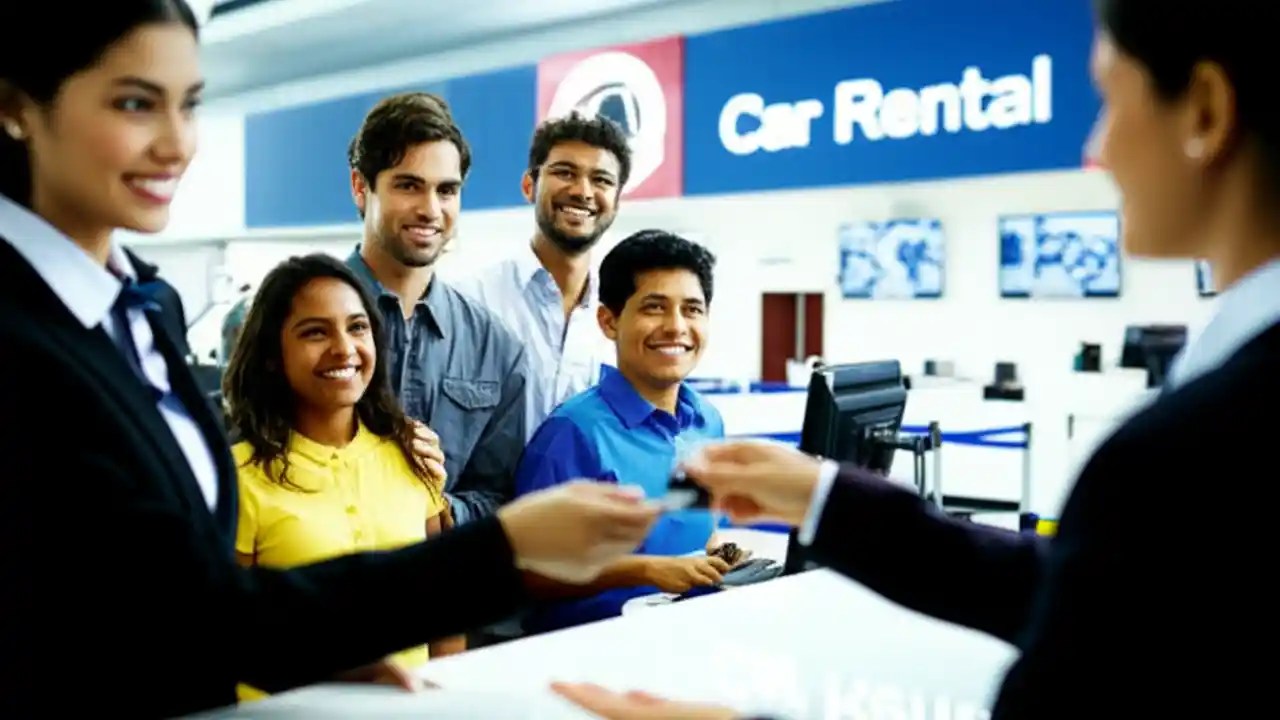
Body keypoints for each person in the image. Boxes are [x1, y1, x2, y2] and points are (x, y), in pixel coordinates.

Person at [551, 0, 1280, 717]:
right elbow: (1086, 594)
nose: (1097, 147)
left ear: (1206, 110)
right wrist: (823, 497)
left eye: (1111, 101)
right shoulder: (1205, 422)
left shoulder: (1182, 450)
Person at [0, 4, 660, 717]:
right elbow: (197, 604)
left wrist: (324, 647)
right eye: (134, 103)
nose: (177, 144)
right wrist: (500, 549)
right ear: (15, 107)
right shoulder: (24, 334)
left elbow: (185, 594)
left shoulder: (143, 308)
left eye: (189, 105)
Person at [224, 254, 470, 702]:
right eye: (315, 332)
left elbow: (445, 610)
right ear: (273, 356)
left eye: (357, 327)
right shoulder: (238, 476)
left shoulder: (413, 455)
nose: (344, 348)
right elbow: (225, 633)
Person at [514, 230, 736, 633]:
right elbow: (528, 572)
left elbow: (685, 522)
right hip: (593, 649)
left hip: (687, 637)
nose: (676, 327)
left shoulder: (705, 423)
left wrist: (717, 553)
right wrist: (645, 571)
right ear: (609, 321)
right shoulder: (572, 435)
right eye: (654, 308)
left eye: (692, 309)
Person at [345, 91, 528, 525]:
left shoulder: (495, 348)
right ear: (361, 187)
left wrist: (444, 513)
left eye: (447, 191)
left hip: (439, 566)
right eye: (408, 185)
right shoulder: (291, 318)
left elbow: (500, 494)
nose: (430, 209)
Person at [453, 112, 629, 438]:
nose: (583, 191)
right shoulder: (471, 303)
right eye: (565, 172)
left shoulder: (625, 317)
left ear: (617, 201)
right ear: (529, 186)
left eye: (601, 180)